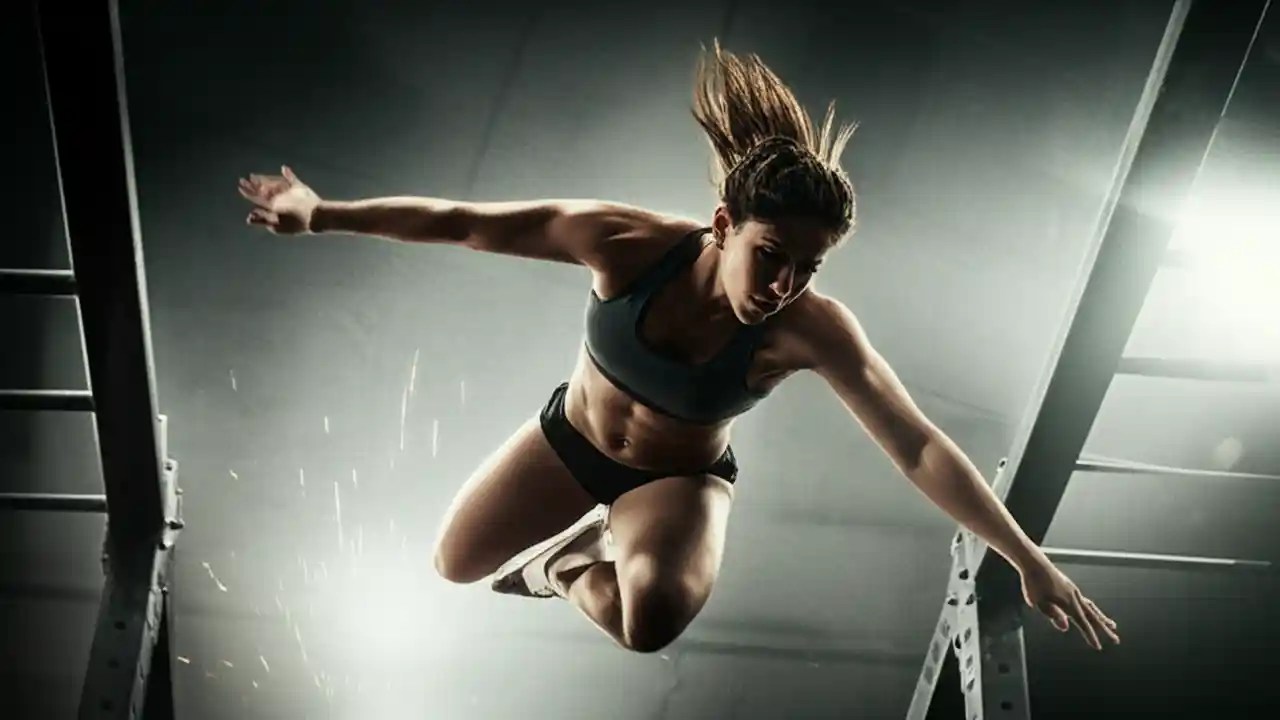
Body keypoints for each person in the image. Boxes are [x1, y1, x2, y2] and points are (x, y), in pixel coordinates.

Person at [237, 41, 1121, 655]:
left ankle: (570, 565)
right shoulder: (624, 243)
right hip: (571, 440)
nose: (784, 286)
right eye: (771, 257)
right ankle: (566, 550)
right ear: (724, 224)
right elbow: (468, 223)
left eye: (808, 268)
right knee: (454, 564)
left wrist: (1028, 559)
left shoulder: (811, 329)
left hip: (677, 480)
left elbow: (918, 445)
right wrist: (321, 215)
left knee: (648, 623)